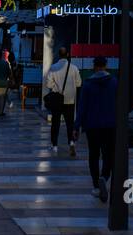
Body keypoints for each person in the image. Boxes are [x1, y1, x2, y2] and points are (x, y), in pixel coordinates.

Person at [74, 56, 117, 201]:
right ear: (106, 65)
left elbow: (82, 107)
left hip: (92, 126)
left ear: (94, 66)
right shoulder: (114, 83)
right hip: (110, 125)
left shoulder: (88, 84)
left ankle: (96, 186)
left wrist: (76, 126)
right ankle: (104, 177)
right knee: (108, 154)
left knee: (93, 155)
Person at [44, 46, 82, 154]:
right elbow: (79, 83)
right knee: (70, 123)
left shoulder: (53, 67)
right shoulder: (74, 68)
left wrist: (57, 86)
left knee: (55, 123)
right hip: (70, 100)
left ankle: (54, 145)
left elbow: (49, 84)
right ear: (68, 55)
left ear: (59, 54)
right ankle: (71, 142)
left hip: (57, 100)